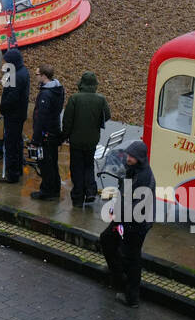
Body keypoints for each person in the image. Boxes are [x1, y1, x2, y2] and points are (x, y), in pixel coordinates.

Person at [99, 140, 154, 307]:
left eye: (131, 156)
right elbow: (125, 194)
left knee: (132, 258)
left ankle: (132, 298)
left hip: (135, 224)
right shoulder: (134, 169)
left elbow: (135, 205)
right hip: (124, 220)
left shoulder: (142, 177)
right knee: (107, 240)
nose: (127, 158)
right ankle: (117, 273)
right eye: (128, 155)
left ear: (139, 158)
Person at [59, 71, 112, 207]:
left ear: (81, 83)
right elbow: (107, 116)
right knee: (88, 166)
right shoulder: (100, 99)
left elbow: (67, 121)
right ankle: (90, 192)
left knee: (77, 167)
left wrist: (63, 136)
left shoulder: (74, 99)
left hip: (76, 140)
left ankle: (77, 197)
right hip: (92, 140)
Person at [31, 66, 64, 200]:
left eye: (37, 74)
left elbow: (41, 118)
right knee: (52, 162)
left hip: (47, 134)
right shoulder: (58, 89)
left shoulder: (46, 94)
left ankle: (47, 191)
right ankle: (55, 189)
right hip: (54, 131)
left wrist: (35, 139)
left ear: (44, 76)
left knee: (45, 164)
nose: (36, 76)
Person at [0, 47, 30, 183]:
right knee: (17, 142)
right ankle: (17, 169)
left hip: (13, 114)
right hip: (19, 113)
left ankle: (12, 174)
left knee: (11, 144)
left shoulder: (16, 76)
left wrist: (3, 107)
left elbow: (11, 97)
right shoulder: (22, 71)